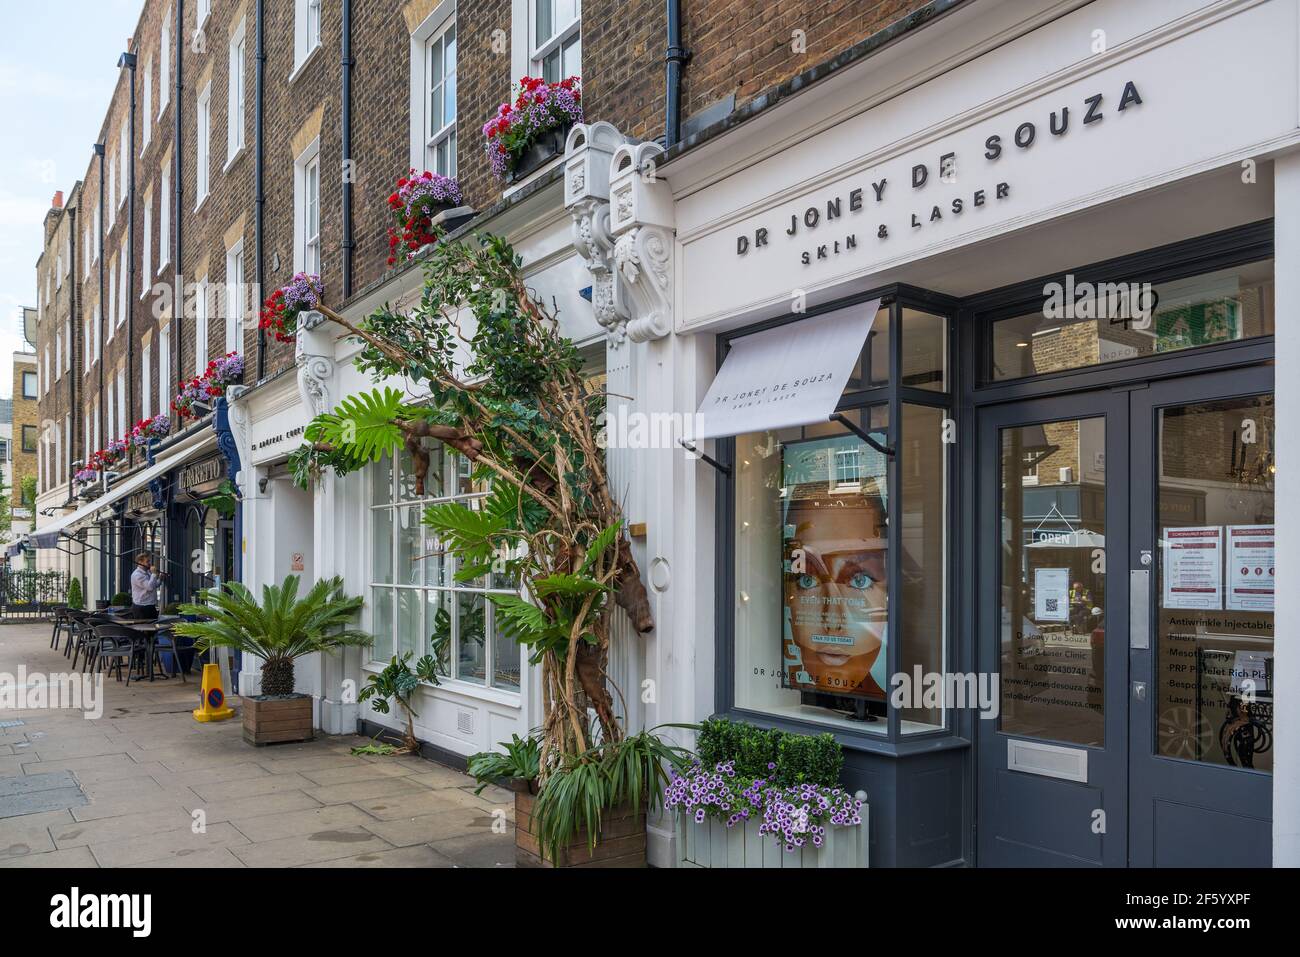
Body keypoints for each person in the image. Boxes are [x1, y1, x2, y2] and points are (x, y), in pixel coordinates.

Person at [129, 552, 166, 620]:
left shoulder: (148, 572)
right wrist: (154, 574)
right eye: (147, 561)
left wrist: (160, 579)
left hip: (150, 606)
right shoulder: (137, 575)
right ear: (140, 562)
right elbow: (150, 587)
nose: (149, 563)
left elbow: (154, 585)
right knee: (143, 628)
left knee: (153, 628)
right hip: (141, 608)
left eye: (149, 561)